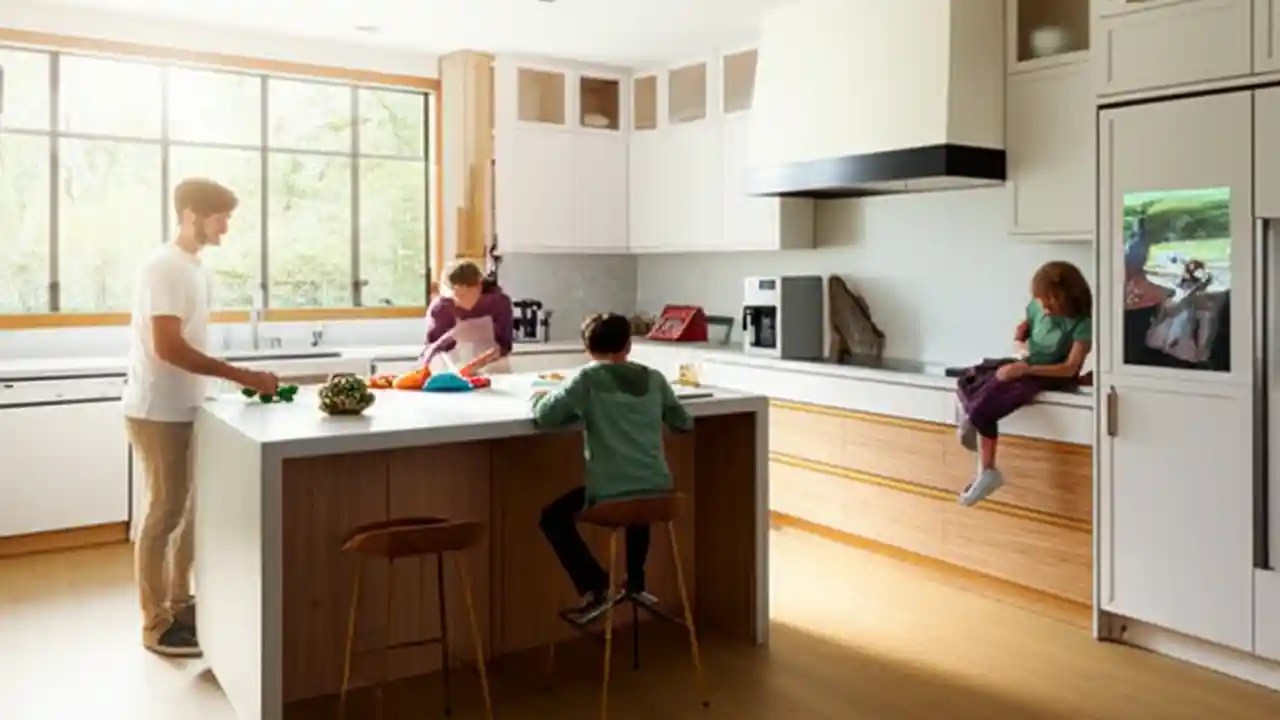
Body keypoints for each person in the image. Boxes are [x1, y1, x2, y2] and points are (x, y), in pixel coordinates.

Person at [122, 178, 279, 657]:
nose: (225, 228)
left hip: (187, 405)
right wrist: (240, 375)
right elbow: (167, 347)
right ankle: (155, 624)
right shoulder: (164, 267)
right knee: (163, 513)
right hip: (158, 408)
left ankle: (179, 603)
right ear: (191, 214)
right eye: (219, 218)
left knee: (186, 513)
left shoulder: (192, 267)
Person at [532, 313, 694, 624]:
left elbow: (547, 416)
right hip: (659, 492)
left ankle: (596, 585)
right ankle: (635, 583)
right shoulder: (655, 378)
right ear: (629, 345)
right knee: (640, 491)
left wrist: (538, 399)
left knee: (552, 517)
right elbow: (682, 422)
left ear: (587, 348)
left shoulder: (587, 379)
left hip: (610, 496)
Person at [954, 261, 1092, 507]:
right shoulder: (1036, 307)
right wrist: (1020, 345)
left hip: (1051, 373)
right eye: (1041, 299)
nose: (1044, 305)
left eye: (1050, 299)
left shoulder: (1083, 324)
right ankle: (971, 422)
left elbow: (1070, 367)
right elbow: (1021, 335)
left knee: (988, 403)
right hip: (1028, 363)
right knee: (972, 376)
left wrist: (1025, 370)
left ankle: (987, 470)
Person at [419, 259, 514, 374]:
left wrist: (489, 357)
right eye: (456, 296)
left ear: (479, 287)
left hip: (495, 370)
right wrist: (448, 338)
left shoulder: (499, 303)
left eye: (465, 294)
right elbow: (430, 350)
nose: (461, 301)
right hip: (454, 373)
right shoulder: (440, 309)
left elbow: (505, 345)